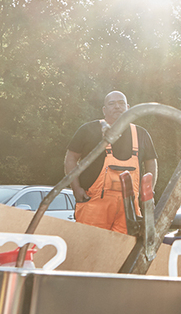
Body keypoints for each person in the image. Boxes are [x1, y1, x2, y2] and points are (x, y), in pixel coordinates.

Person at [65, 91, 158, 234]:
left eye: (121, 103)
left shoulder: (141, 134)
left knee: (124, 251)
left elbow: (151, 163)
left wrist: (147, 192)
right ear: (104, 110)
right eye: (112, 103)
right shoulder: (88, 130)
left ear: (128, 107)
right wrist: (76, 188)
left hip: (129, 208)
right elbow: (70, 158)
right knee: (88, 248)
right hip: (93, 204)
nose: (117, 106)